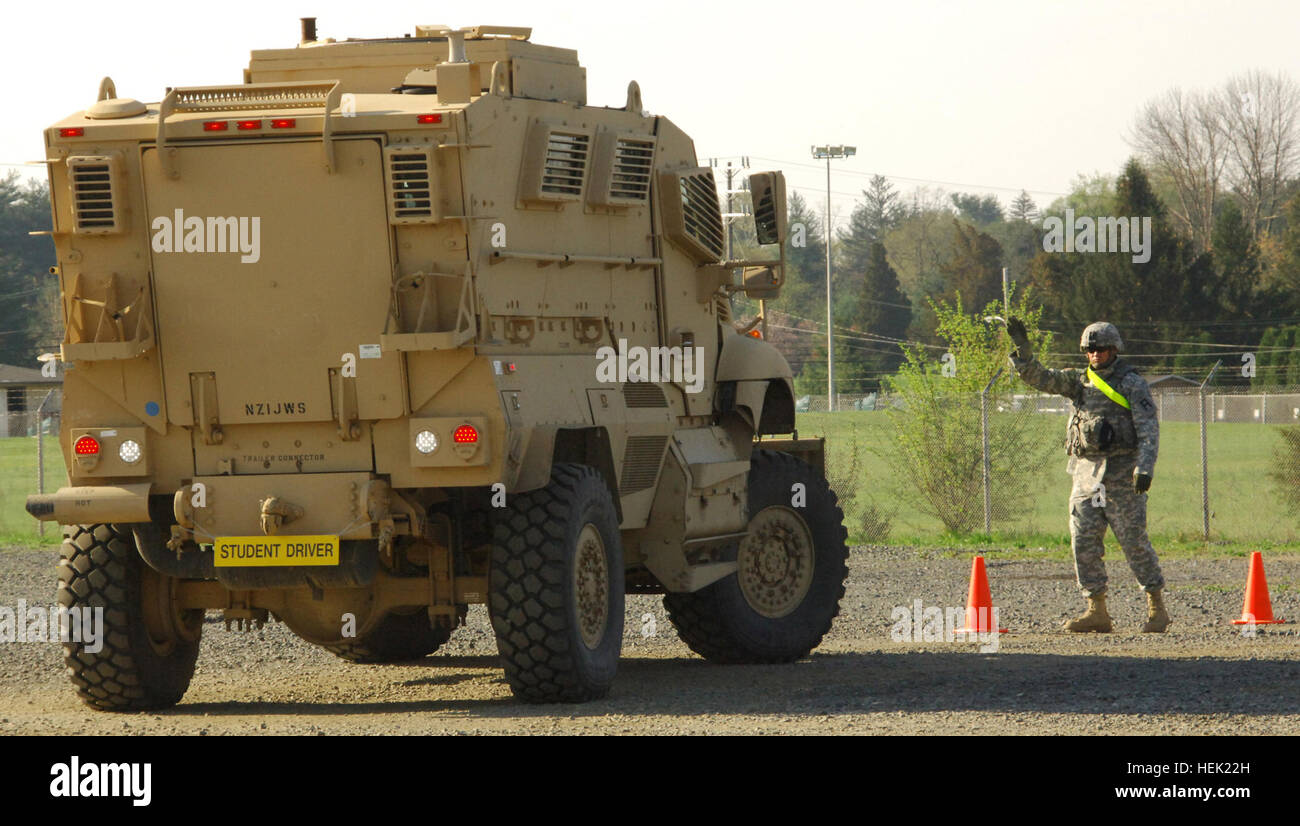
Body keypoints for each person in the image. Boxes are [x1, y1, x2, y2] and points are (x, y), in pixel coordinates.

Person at [1005, 318, 1169, 633]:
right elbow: (1039, 378)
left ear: (1114, 350)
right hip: (1085, 475)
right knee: (1083, 542)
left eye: (1101, 349)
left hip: (1122, 475)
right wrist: (1023, 348)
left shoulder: (1131, 384)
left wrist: (1145, 467)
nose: (1095, 354)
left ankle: (1156, 607)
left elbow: (1148, 430)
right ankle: (1097, 610)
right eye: (1090, 350)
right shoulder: (1079, 382)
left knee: (1134, 542)